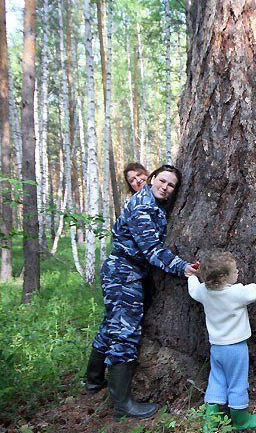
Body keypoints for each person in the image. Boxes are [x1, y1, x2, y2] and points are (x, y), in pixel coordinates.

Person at [83, 164, 199, 419]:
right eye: (162, 181)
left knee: (111, 326)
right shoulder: (142, 207)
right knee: (125, 333)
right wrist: (183, 268)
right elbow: (152, 250)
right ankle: (121, 404)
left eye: (171, 185)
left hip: (128, 273)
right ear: (153, 179)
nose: (165, 187)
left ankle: (93, 380)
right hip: (124, 274)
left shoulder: (154, 204)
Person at [187, 250, 256, 433]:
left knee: (217, 380)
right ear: (224, 277)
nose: (238, 271)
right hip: (236, 349)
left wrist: (191, 276)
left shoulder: (204, 291)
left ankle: (211, 420)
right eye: (235, 270)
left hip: (216, 348)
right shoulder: (237, 293)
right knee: (237, 382)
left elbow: (193, 290)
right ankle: (240, 418)